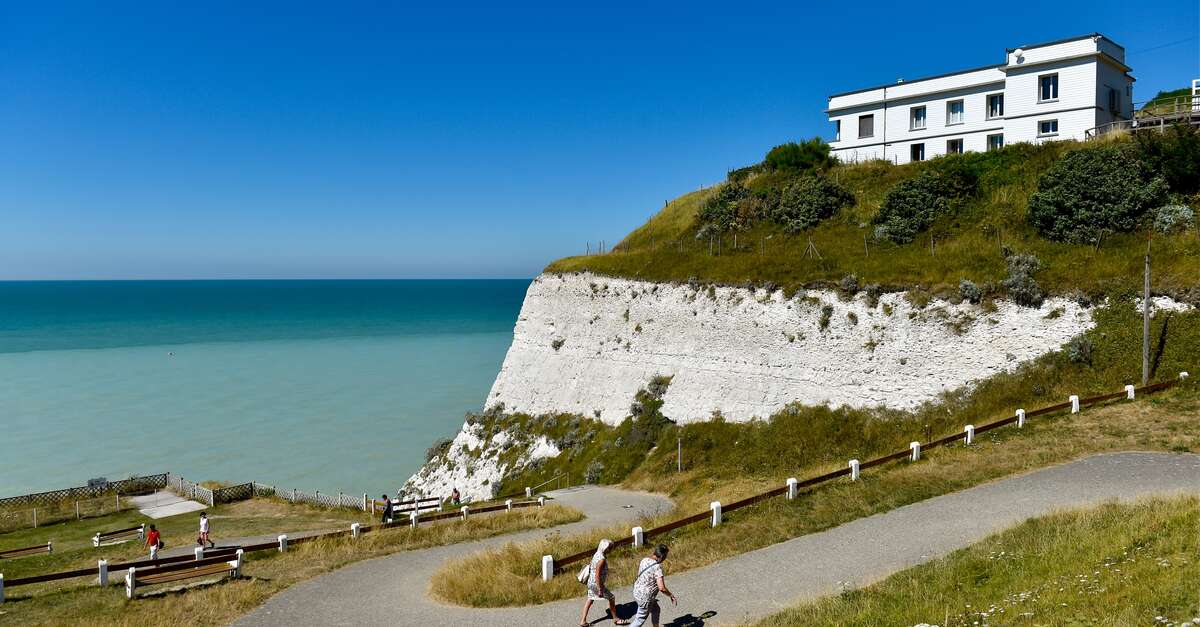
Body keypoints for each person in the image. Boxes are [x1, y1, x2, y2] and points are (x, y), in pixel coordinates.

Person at [580, 539, 629, 626]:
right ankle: (616, 619)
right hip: (597, 583)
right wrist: (600, 589)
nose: (610, 550)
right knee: (611, 598)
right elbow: (597, 575)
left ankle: (583, 621)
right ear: (604, 548)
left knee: (590, 600)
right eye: (609, 548)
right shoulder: (601, 559)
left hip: (590, 582)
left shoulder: (597, 554)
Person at [629, 544, 677, 627]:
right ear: (662, 556)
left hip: (637, 592)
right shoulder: (657, 567)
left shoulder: (644, 560)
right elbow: (662, 588)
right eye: (665, 556)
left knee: (655, 609)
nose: (665, 559)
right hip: (645, 597)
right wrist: (671, 595)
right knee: (639, 620)